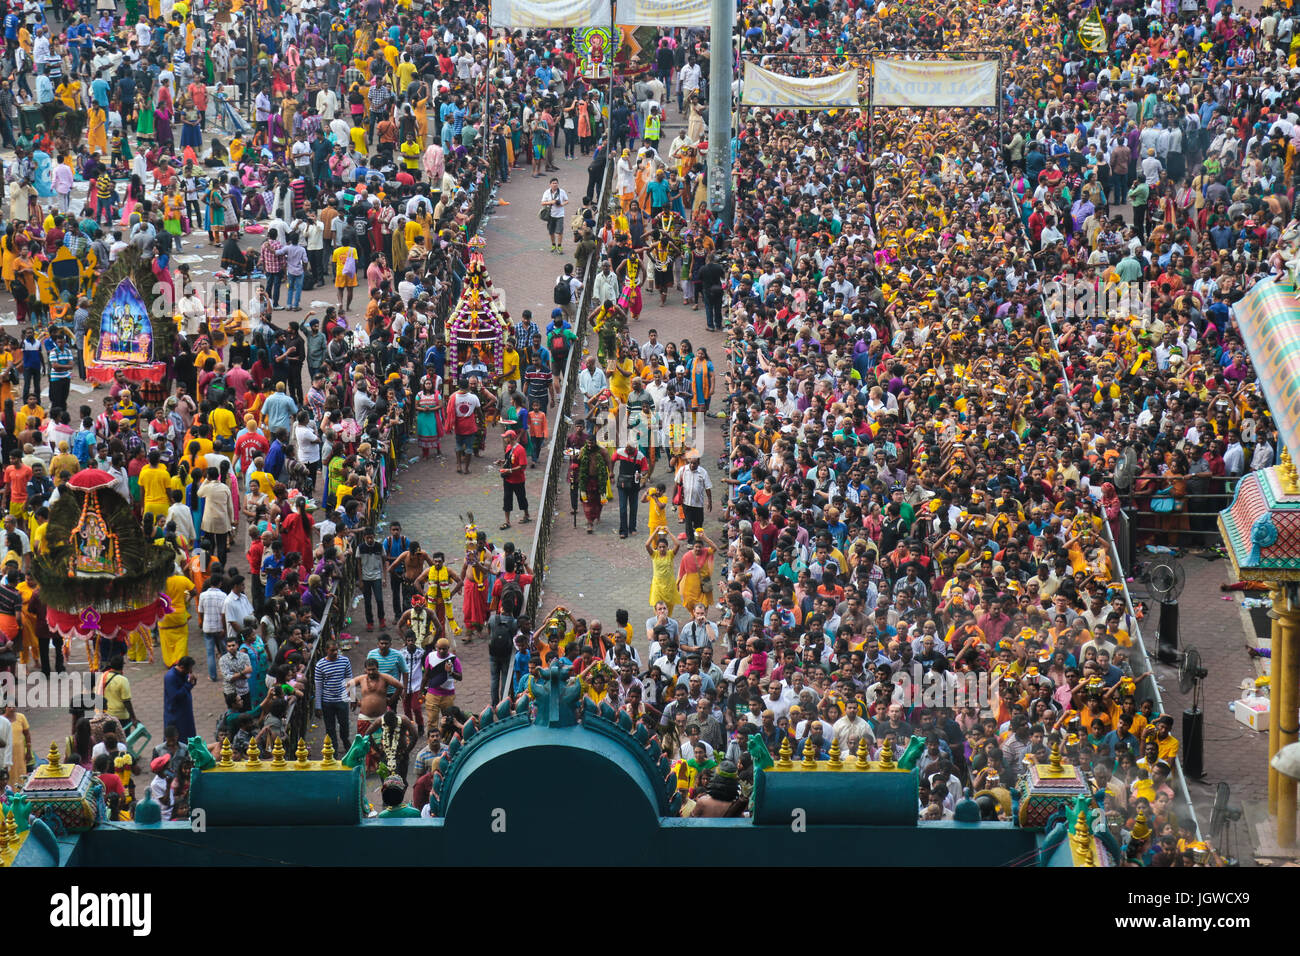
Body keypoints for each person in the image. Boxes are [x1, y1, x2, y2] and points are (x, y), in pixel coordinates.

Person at [162, 656, 197, 742]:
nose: (190, 672)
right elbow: (175, 696)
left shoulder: (183, 674)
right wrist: (189, 684)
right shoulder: (171, 677)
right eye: (189, 669)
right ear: (182, 667)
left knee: (189, 736)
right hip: (175, 715)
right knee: (176, 739)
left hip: (185, 712)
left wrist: (191, 684)